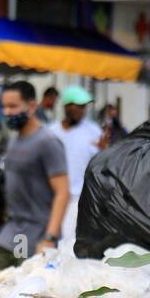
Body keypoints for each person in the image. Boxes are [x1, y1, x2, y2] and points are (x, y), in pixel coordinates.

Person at [0, 80, 69, 279]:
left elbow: (62, 192)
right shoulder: (14, 140)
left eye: (13, 106)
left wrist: (49, 238)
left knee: (22, 294)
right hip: (13, 232)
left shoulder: (47, 142)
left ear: (31, 107)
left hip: (34, 236)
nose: (8, 112)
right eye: (4, 107)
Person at [46, 85, 101, 242]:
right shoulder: (51, 132)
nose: (82, 110)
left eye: (84, 107)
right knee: (51, 239)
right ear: (67, 107)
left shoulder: (93, 131)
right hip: (53, 196)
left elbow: (100, 162)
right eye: (79, 106)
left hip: (78, 196)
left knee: (69, 240)